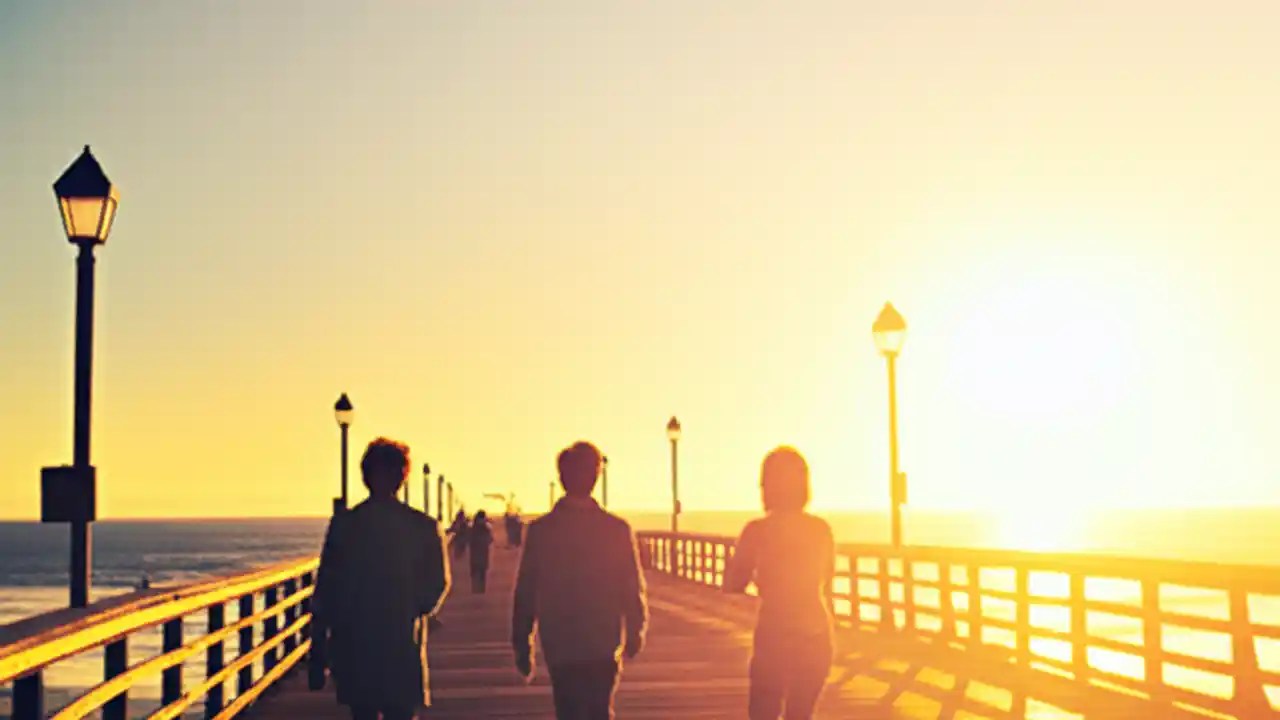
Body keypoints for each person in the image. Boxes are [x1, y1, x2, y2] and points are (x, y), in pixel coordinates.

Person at [312, 438, 451, 720]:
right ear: (403, 477)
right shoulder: (422, 526)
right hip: (400, 639)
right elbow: (438, 582)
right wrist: (415, 607)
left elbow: (325, 591)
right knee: (399, 710)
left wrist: (318, 648)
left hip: (355, 640)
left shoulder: (345, 526)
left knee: (363, 710)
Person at [512, 441, 648, 720]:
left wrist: (521, 640)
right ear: (595, 477)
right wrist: (636, 627)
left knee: (568, 708)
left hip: (561, 639)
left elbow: (526, 589)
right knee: (598, 707)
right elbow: (630, 584)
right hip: (602, 636)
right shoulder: (616, 529)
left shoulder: (542, 530)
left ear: (562, 478)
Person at [723, 446, 835, 720]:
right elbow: (827, 580)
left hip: (775, 631)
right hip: (816, 630)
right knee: (801, 714)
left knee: (764, 710)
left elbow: (734, 584)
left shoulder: (757, 531)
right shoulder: (821, 529)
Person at [469, 510, 494, 593]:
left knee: (479, 571)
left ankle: (477, 589)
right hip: (481, 552)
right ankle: (479, 589)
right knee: (480, 571)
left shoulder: (474, 528)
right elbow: (490, 539)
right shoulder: (485, 528)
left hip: (477, 552)